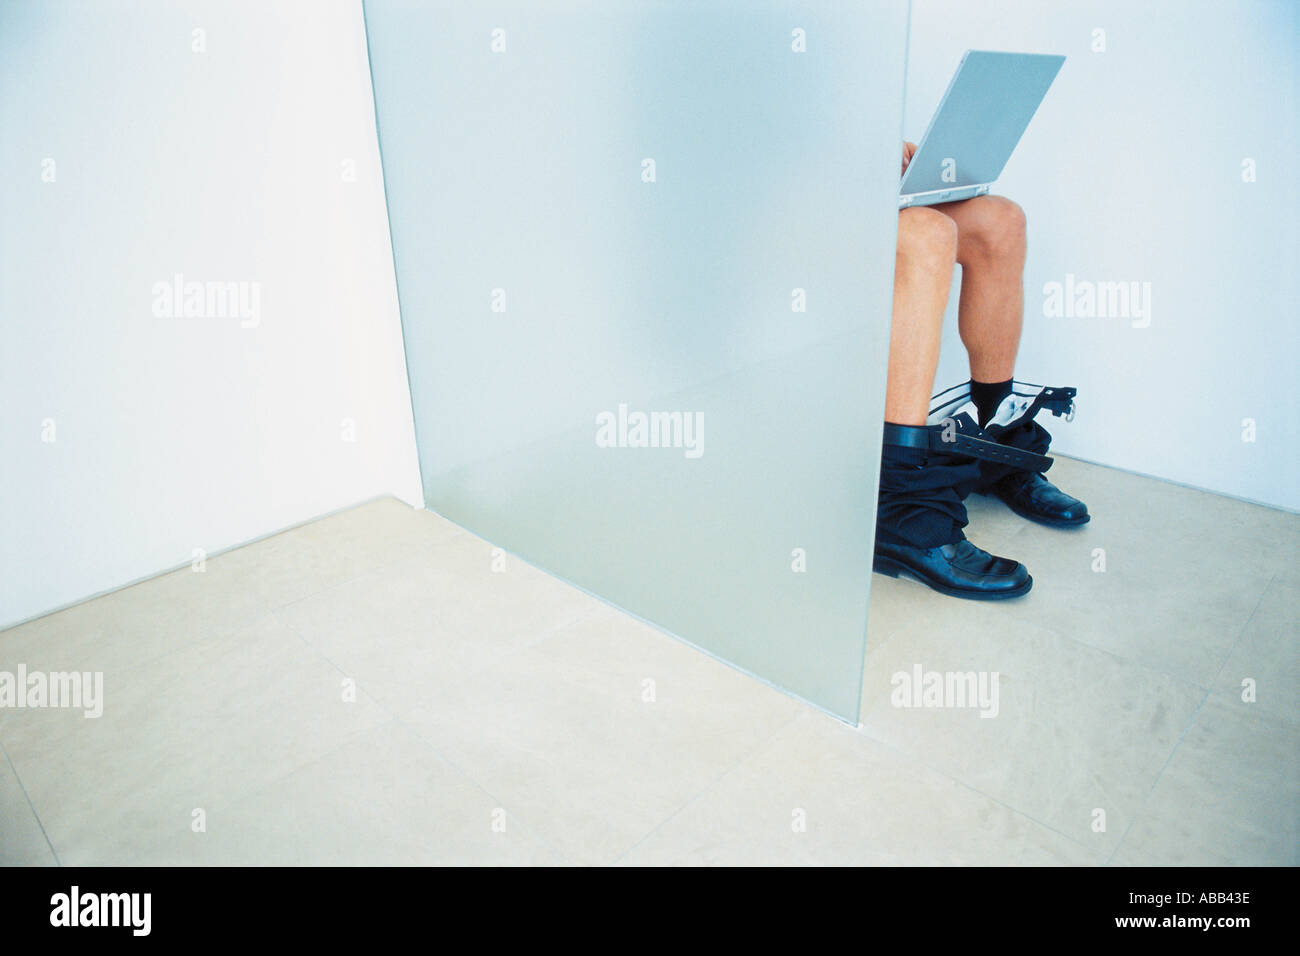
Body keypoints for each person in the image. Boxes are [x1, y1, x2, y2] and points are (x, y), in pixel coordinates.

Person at [874, 141, 1089, 600]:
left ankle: (997, 445)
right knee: (925, 232)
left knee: (1000, 220)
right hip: (774, 195)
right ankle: (899, 506)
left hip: (850, 186)